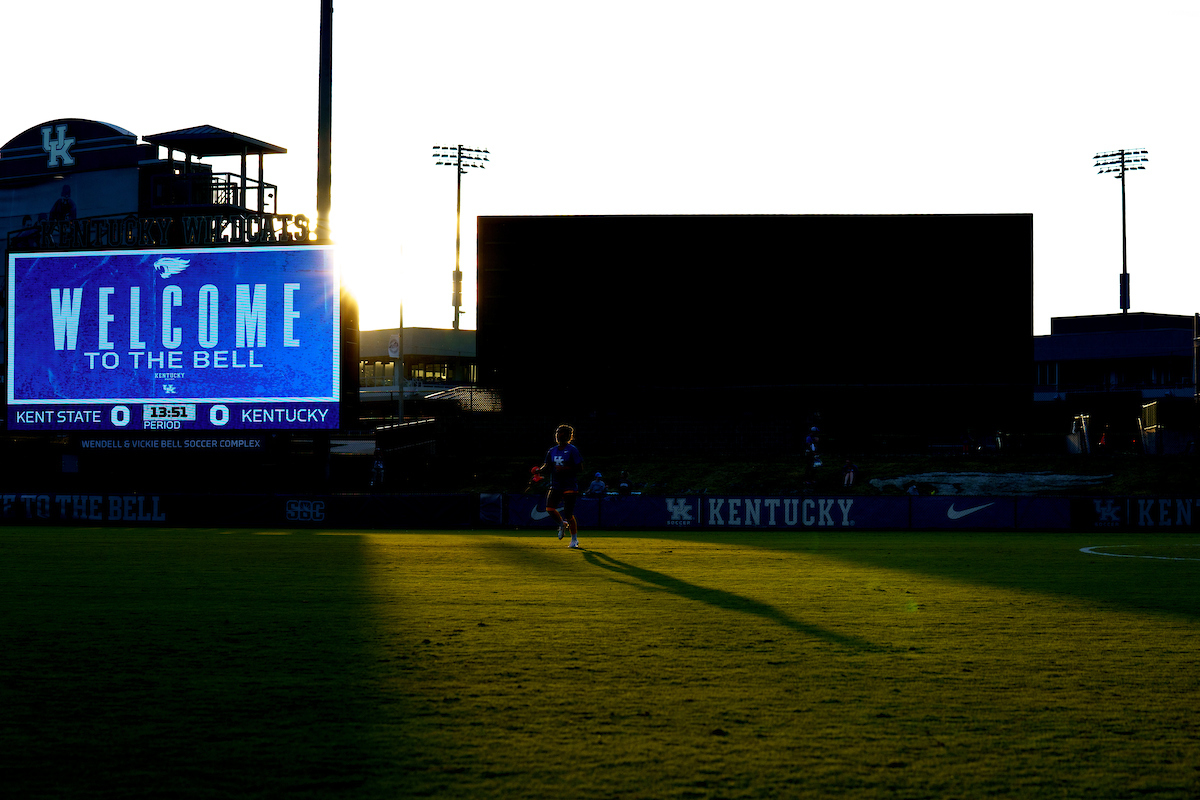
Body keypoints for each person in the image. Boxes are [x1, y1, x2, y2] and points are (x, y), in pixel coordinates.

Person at [539, 424, 583, 548]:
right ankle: (561, 524)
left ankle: (574, 540)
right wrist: (539, 471)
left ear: (568, 436)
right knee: (549, 508)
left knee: (569, 513)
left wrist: (565, 468)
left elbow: (580, 468)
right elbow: (547, 465)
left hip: (569, 485)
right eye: (557, 432)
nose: (558, 435)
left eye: (560, 433)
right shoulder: (552, 450)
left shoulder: (572, 450)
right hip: (556, 484)